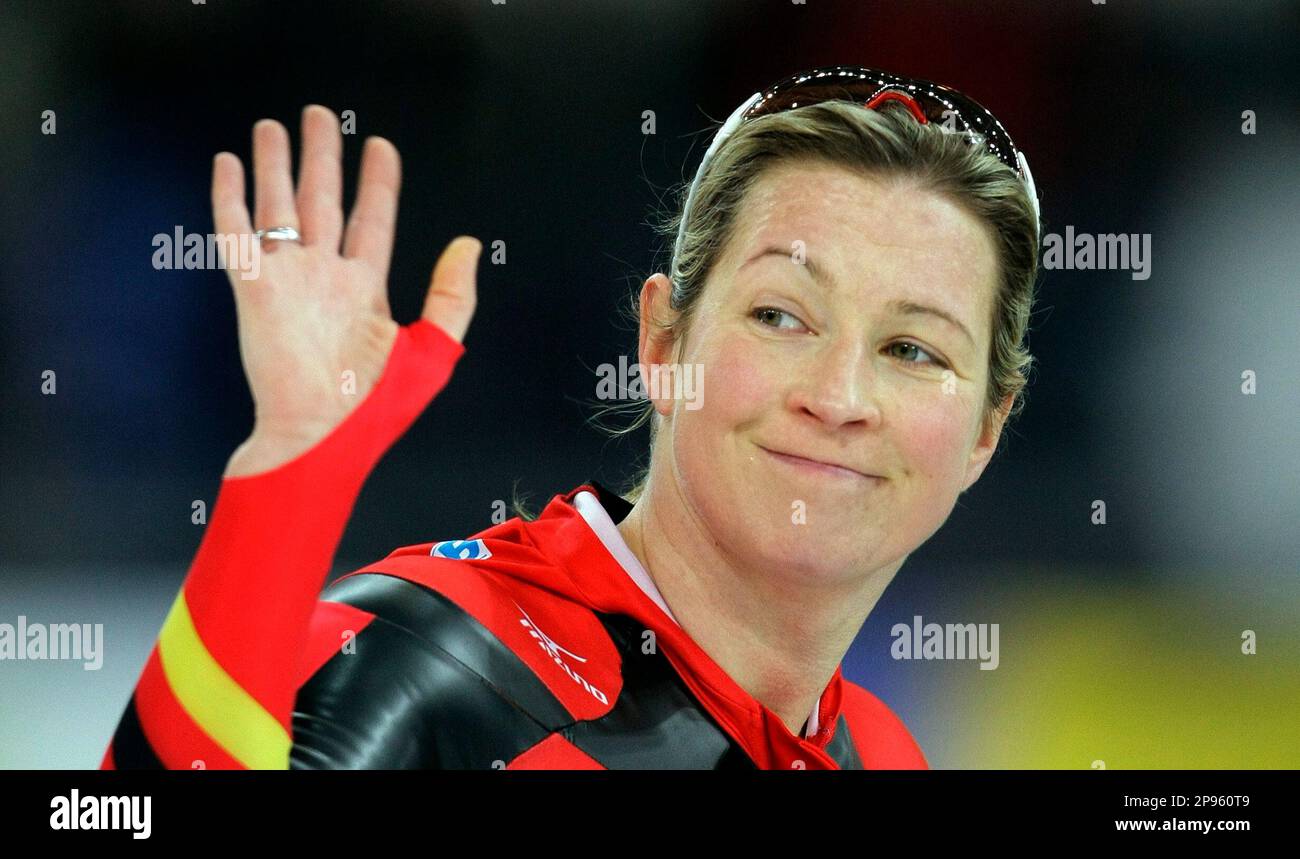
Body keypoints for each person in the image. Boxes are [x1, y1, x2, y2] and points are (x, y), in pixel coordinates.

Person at [101, 66, 1041, 770]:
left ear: (987, 431)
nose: (838, 397)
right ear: (663, 343)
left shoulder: (880, 752)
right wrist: (292, 475)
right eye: (780, 316)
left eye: (913, 350)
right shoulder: (430, 664)